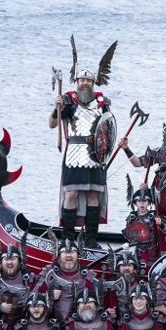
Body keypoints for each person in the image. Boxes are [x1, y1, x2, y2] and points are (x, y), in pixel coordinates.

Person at [49, 47, 117, 246]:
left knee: (93, 194)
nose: (85, 83)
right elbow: (52, 124)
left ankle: (91, 239)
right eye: (81, 80)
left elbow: (109, 129)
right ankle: (68, 239)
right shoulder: (68, 101)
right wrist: (56, 108)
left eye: (88, 80)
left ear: (93, 83)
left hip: (96, 154)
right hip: (74, 154)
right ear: (77, 82)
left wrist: (105, 151)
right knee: (71, 194)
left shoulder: (103, 103)